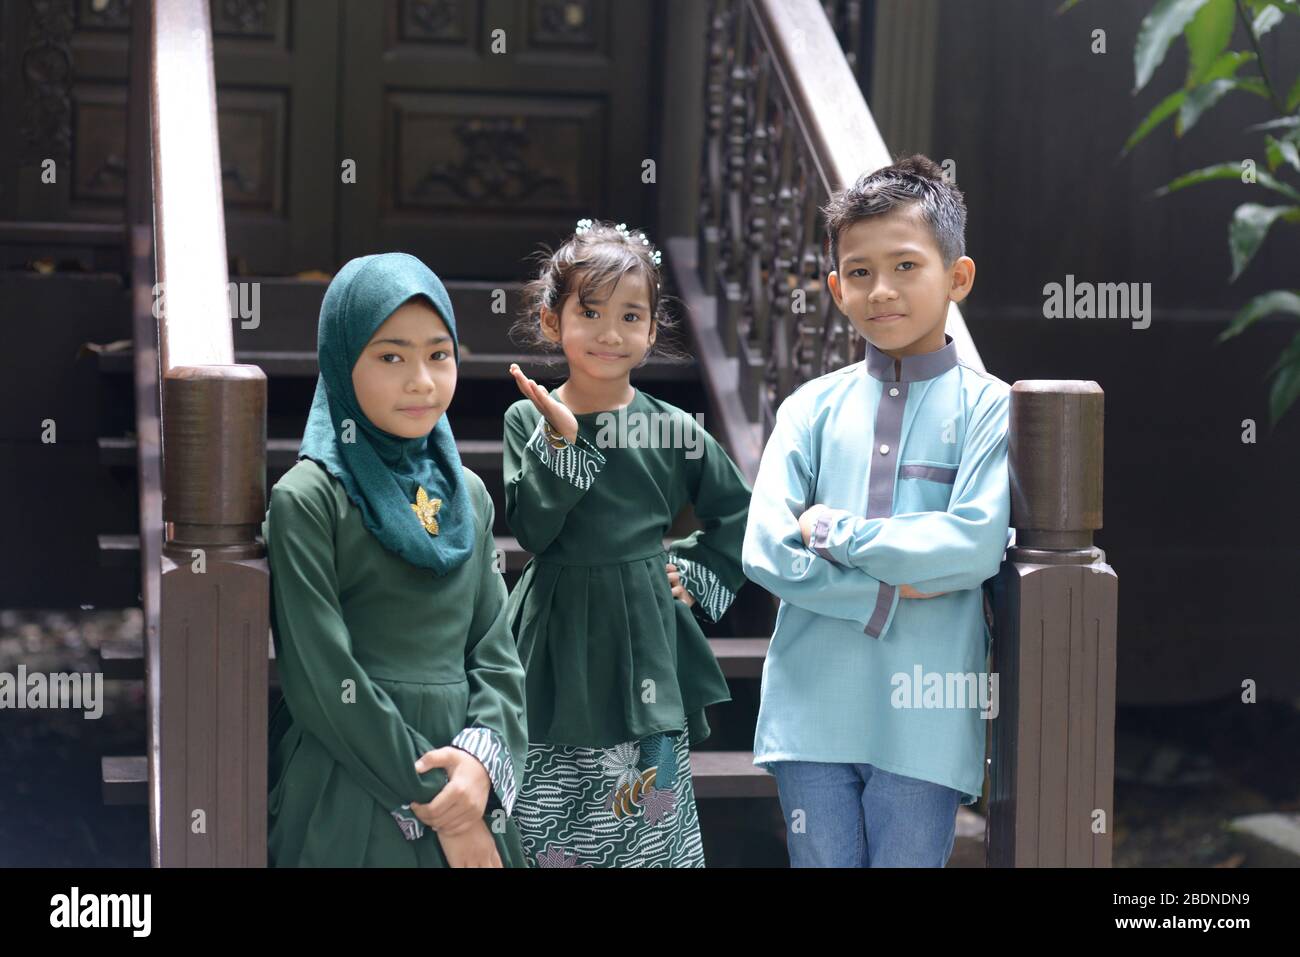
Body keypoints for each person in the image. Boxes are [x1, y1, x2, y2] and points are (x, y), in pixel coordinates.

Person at [742, 155, 1012, 867]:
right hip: (809, 708)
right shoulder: (808, 409)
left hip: (926, 720)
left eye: (905, 266)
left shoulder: (992, 409)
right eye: (859, 272)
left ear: (957, 277)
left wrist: (836, 530)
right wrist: (889, 586)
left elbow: (974, 545)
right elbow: (766, 549)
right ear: (835, 288)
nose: (881, 290)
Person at [263, 252, 528, 866]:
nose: (421, 381)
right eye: (390, 356)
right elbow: (323, 680)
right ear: (339, 359)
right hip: (355, 782)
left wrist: (477, 773)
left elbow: (496, 652)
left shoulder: (469, 495)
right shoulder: (307, 500)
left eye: (439, 354)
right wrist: (443, 808)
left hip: (467, 770)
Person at [503, 219, 751, 867]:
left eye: (630, 315)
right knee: (541, 792)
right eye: (590, 312)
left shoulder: (674, 430)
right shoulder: (524, 417)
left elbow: (739, 514)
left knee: (649, 805)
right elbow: (531, 529)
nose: (611, 333)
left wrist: (694, 574)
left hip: (643, 624)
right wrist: (560, 440)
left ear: (650, 327)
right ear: (552, 321)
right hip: (553, 622)